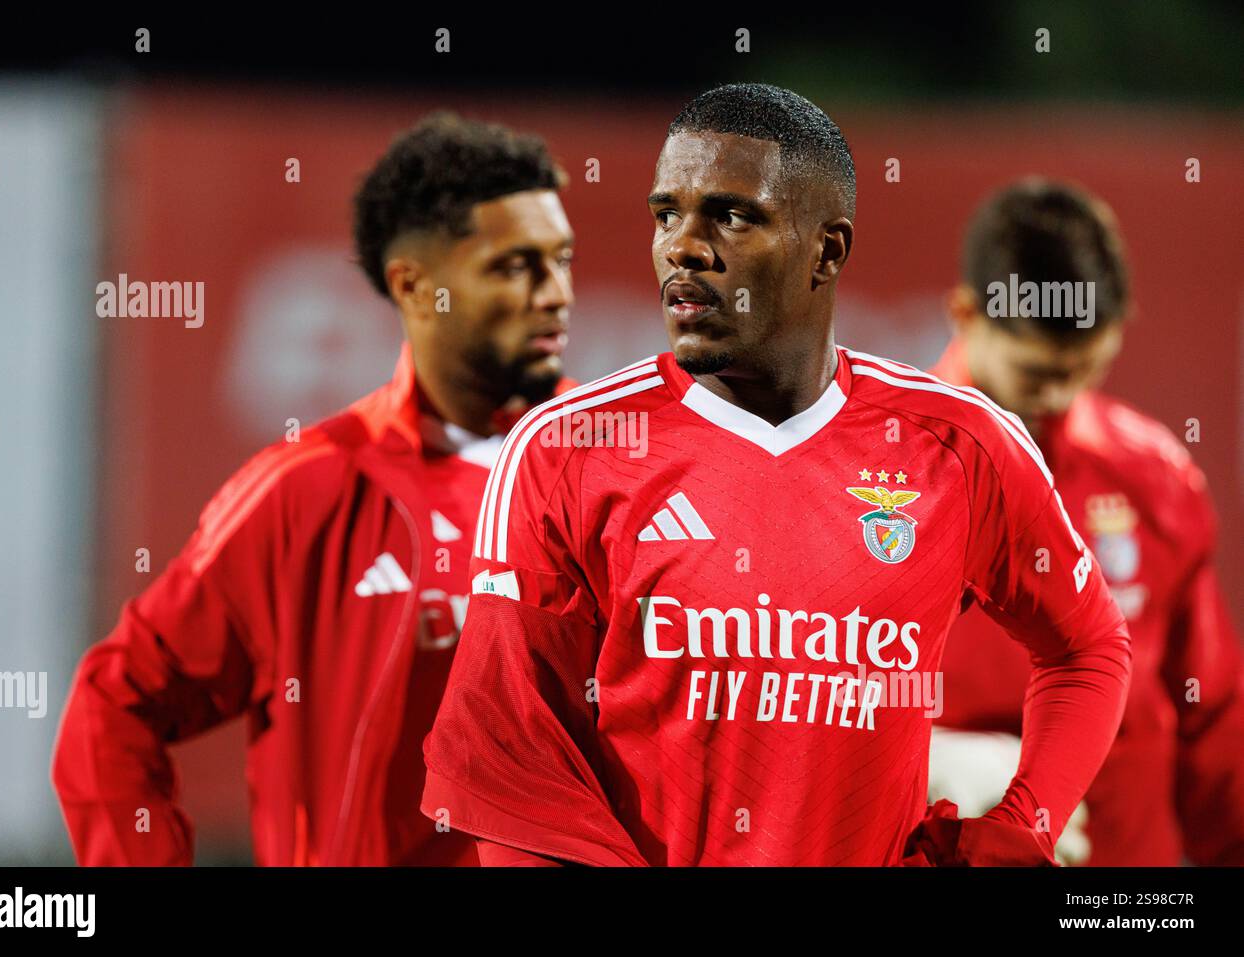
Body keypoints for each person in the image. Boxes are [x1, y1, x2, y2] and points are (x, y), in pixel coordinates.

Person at [421, 84, 1132, 866]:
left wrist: (1024, 824)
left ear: (827, 248)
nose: (683, 247)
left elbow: (1088, 648)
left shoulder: (961, 445)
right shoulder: (567, 449)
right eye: (666, 214)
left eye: (731, 215)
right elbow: (510, 770)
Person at [52, 112, 577, 865]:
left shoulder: (626, 478)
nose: (555, 292)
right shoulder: (307, 491)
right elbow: (115, 705)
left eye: (563, 259)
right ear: (414, 286)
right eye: (515, 266)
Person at [928, 178, 1244, 866]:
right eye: (1038, 374)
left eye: (1086, 368)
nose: (1061, 397)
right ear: (964, 314)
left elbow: (1211, 717)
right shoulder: (881, 477)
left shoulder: (1156, 477)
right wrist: (932, 765)